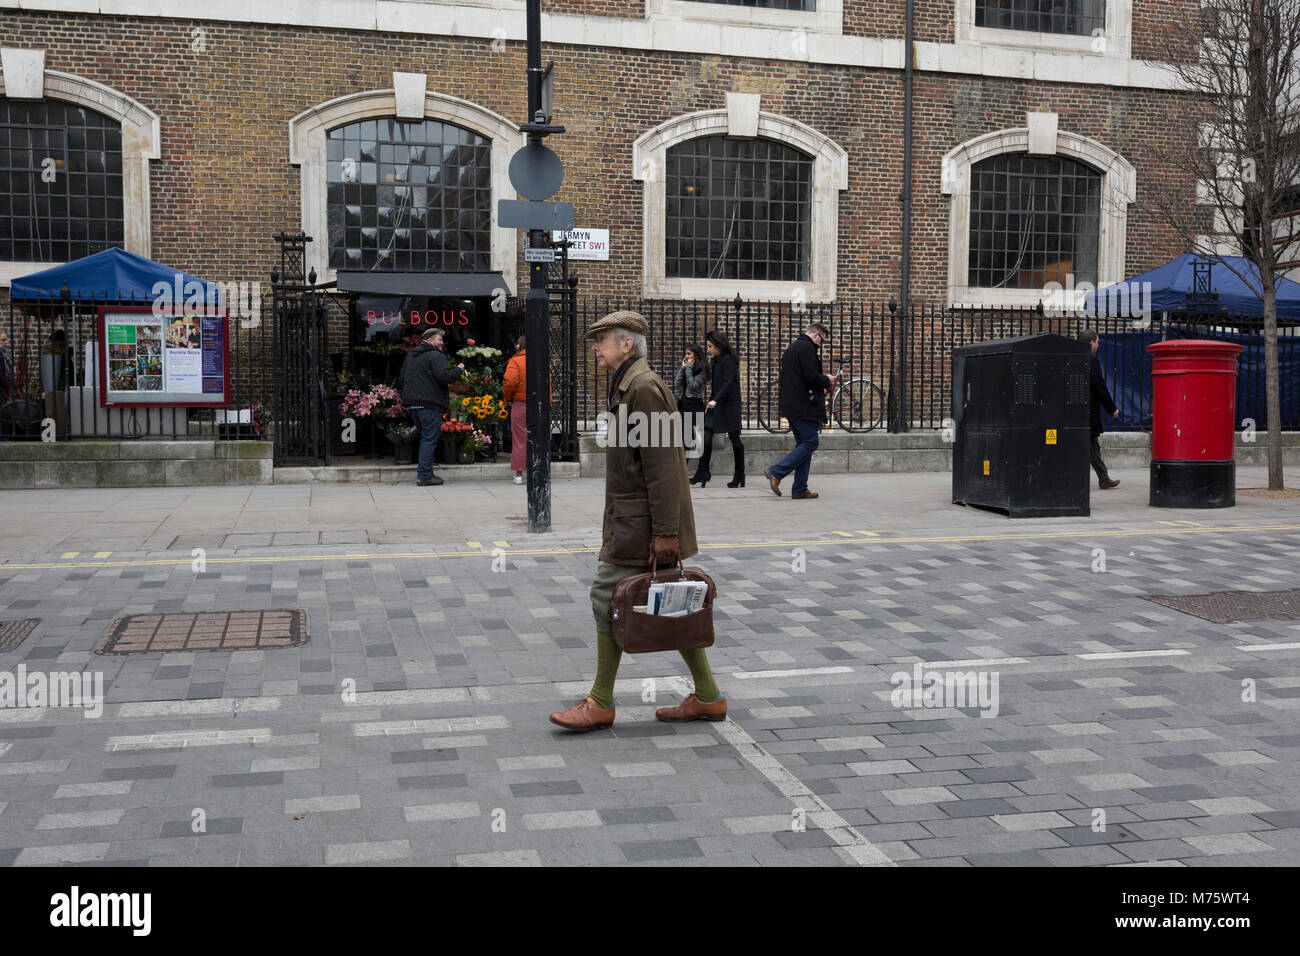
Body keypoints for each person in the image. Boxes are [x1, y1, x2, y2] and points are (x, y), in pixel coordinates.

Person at [549, 310, 725, 731]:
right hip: (635, 519)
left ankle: (600, 702)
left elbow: (665, 467)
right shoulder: (630, 385)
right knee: (674, 606)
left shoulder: (643, 388)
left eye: (602, 339)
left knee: (605, 596)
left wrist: (666, 533)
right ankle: (708, 696)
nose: (595, 347)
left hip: (642, 524)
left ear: (626, 344)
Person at [765, 322, 833, 500]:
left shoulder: (793, 348)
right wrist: (827, 379)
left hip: (793, 405)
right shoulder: (806, 348)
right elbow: (811, 377)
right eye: (822, 341)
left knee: (804, 445)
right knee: (811, 442)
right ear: (816, 335)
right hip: (805, 406)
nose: (820, 346)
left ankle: (800, 488)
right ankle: (776, 472)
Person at [397, 327, 464, 487]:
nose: (442, 343)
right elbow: (444, 377)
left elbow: (401, 379)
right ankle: (424, 476)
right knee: (429, 439)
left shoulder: (411, 356)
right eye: (439, 339)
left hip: (413, 405)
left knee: (425, 438)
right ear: (431, 340)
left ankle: (425, 473)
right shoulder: (435, 355)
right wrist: (458, 370)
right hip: (429, 405)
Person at [690, 329, 744, 489]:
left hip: (729, 404)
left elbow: (728, 383)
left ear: (719, 345)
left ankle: (739, 474)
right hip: (716, 402)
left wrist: (715, 400)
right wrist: (711, 401)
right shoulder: (715, 360)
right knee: (706, 434)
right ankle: (702, 471)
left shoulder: (729, 361)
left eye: (710, 346)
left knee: (734, 437)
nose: (708, 349)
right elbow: (716, 385)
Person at [1080, 329, 1121, 490]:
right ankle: (1103, 479)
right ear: (1091, 342)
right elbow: (1099, 387)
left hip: (1074, 411)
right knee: (1090, 447)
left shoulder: (1073, 356)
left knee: (1092, 446)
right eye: (1097, 342)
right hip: (1088, 412)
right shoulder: (1091, 360)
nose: (1098, 345)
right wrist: (1111, 409)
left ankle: (1103, 478)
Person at [672, 343, 708, 455]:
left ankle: (702, 469)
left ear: (696, 355)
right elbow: (677, 384)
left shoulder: (702, 369)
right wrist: (682, 369)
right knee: (685, 439)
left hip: (695, 406)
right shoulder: (687, 368)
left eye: (689, 354)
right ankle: (683, 469)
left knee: (698, 440)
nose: (686, 356)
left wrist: (688, 368)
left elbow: (693, 385)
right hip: (684, 405)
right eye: (685, 353)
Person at [502, 335, 528, 484]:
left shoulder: (515, 361)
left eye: (518, 344)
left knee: (519, 439)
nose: (516, 346)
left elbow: (510, 383)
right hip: (538, 405)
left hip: (520, 403)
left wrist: (507, 398)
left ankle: (519, 474)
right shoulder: (540, 360)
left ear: (520, 346)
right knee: (536, 437)